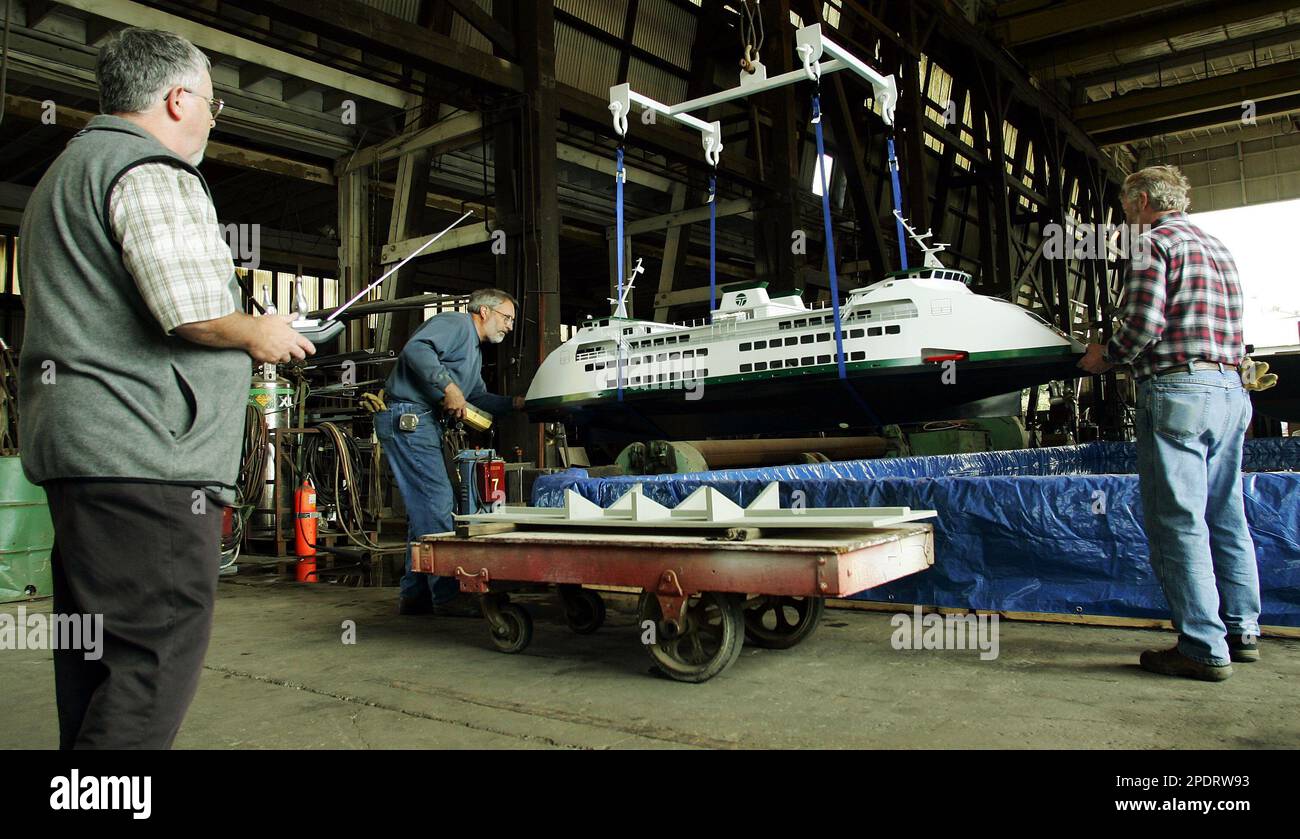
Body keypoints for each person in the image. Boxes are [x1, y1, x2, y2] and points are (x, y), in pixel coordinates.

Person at [18, 28, 315, 748]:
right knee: (153, 662)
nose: (213, 121)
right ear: (179, 99)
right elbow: (187, 308)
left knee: (98, 659)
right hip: (145, 457)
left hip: (86, 454)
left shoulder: (68, 172)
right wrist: (257, 331)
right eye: (213, 106)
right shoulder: (149, 168)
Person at [1078, 164, 1259, 682]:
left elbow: (1143, 325)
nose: (1124, 218)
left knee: (1178, 521)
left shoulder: (1153, 245)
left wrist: (1105, 357)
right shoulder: (1218, 247)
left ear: (1140, 201)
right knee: (1226, 514)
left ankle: (1202, 648)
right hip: (1231, 389)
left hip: (1180, 391)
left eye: (1124, 207)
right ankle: (1243, 630)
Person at [375, 288, 525, 615]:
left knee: (424, 510)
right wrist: (449, 387)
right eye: (506, 318)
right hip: (410, 419)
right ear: (484, 312)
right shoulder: (457, 324)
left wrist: (518, 405)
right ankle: (447, 594)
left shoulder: (474, 350)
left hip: (424, 424)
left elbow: (478, 397)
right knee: (437, 502)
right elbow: (416, 350)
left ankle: (416, 595)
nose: (509, 326)